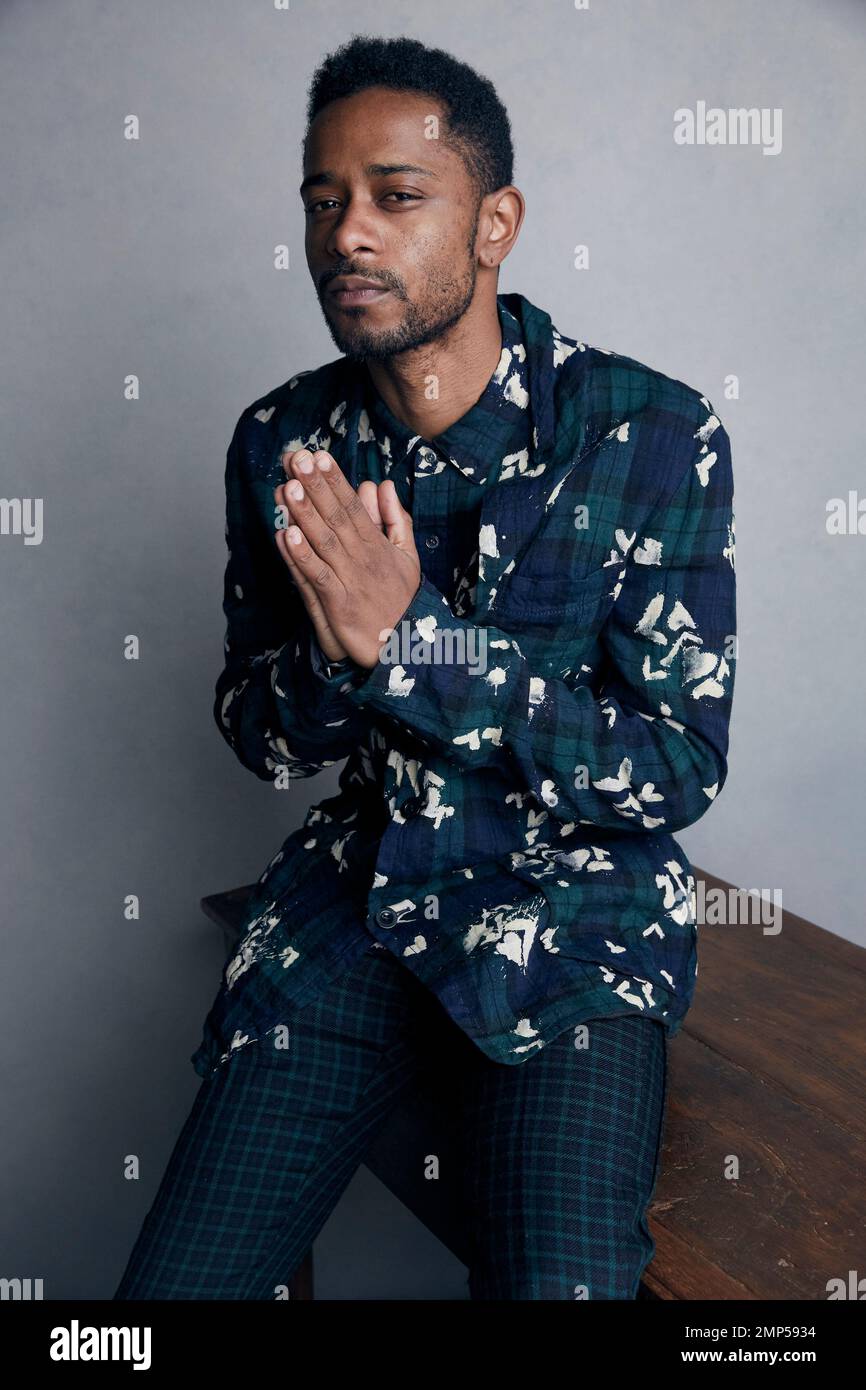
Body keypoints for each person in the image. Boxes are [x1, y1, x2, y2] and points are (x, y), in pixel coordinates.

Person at [113, 32, 736, 1301]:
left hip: (574, 932)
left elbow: (671, 770)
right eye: (323, 200)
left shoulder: (651, 432)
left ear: (492, 221)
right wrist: (345, 657)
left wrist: (419, 646)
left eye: (396, 197)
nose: (348, 233)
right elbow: (259, 730)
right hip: (353, 911)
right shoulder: (283, 439)